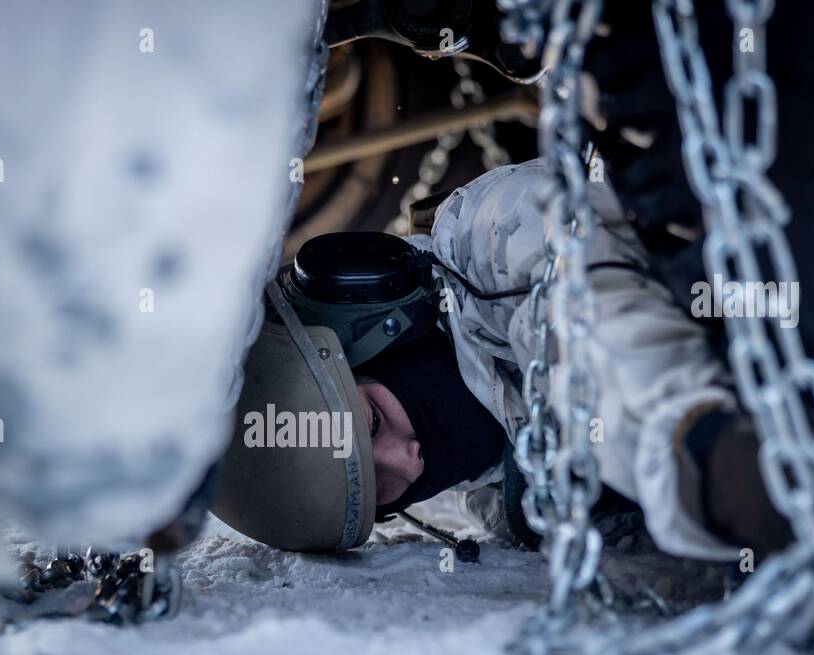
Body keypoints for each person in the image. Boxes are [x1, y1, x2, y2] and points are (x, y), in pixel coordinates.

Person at [214, 158, 744, 560]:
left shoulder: (497, 234)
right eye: (383, 488)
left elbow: (610, 351)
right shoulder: (516, 506)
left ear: (370, 341)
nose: (411, 460)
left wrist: (717, 464)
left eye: (372, 422)